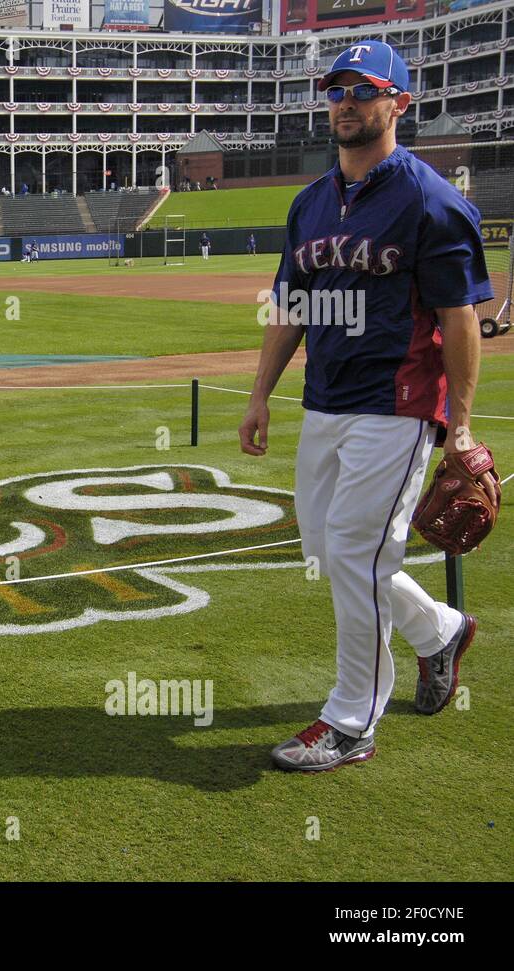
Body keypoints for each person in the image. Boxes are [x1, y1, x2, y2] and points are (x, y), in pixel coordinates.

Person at [239, 39, 493, 772]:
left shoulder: (432, 202)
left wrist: (461, 423)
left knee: (354, 549)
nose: (344, 100)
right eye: (336, 89)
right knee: (329, 548)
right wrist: (260, 396)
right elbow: (289, 304)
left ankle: (353, 718)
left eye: (362, 89)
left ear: (398, 103)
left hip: (400, 403)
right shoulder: (311, 202)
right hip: (326, 401)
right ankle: (440, 629)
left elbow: (460, 318)